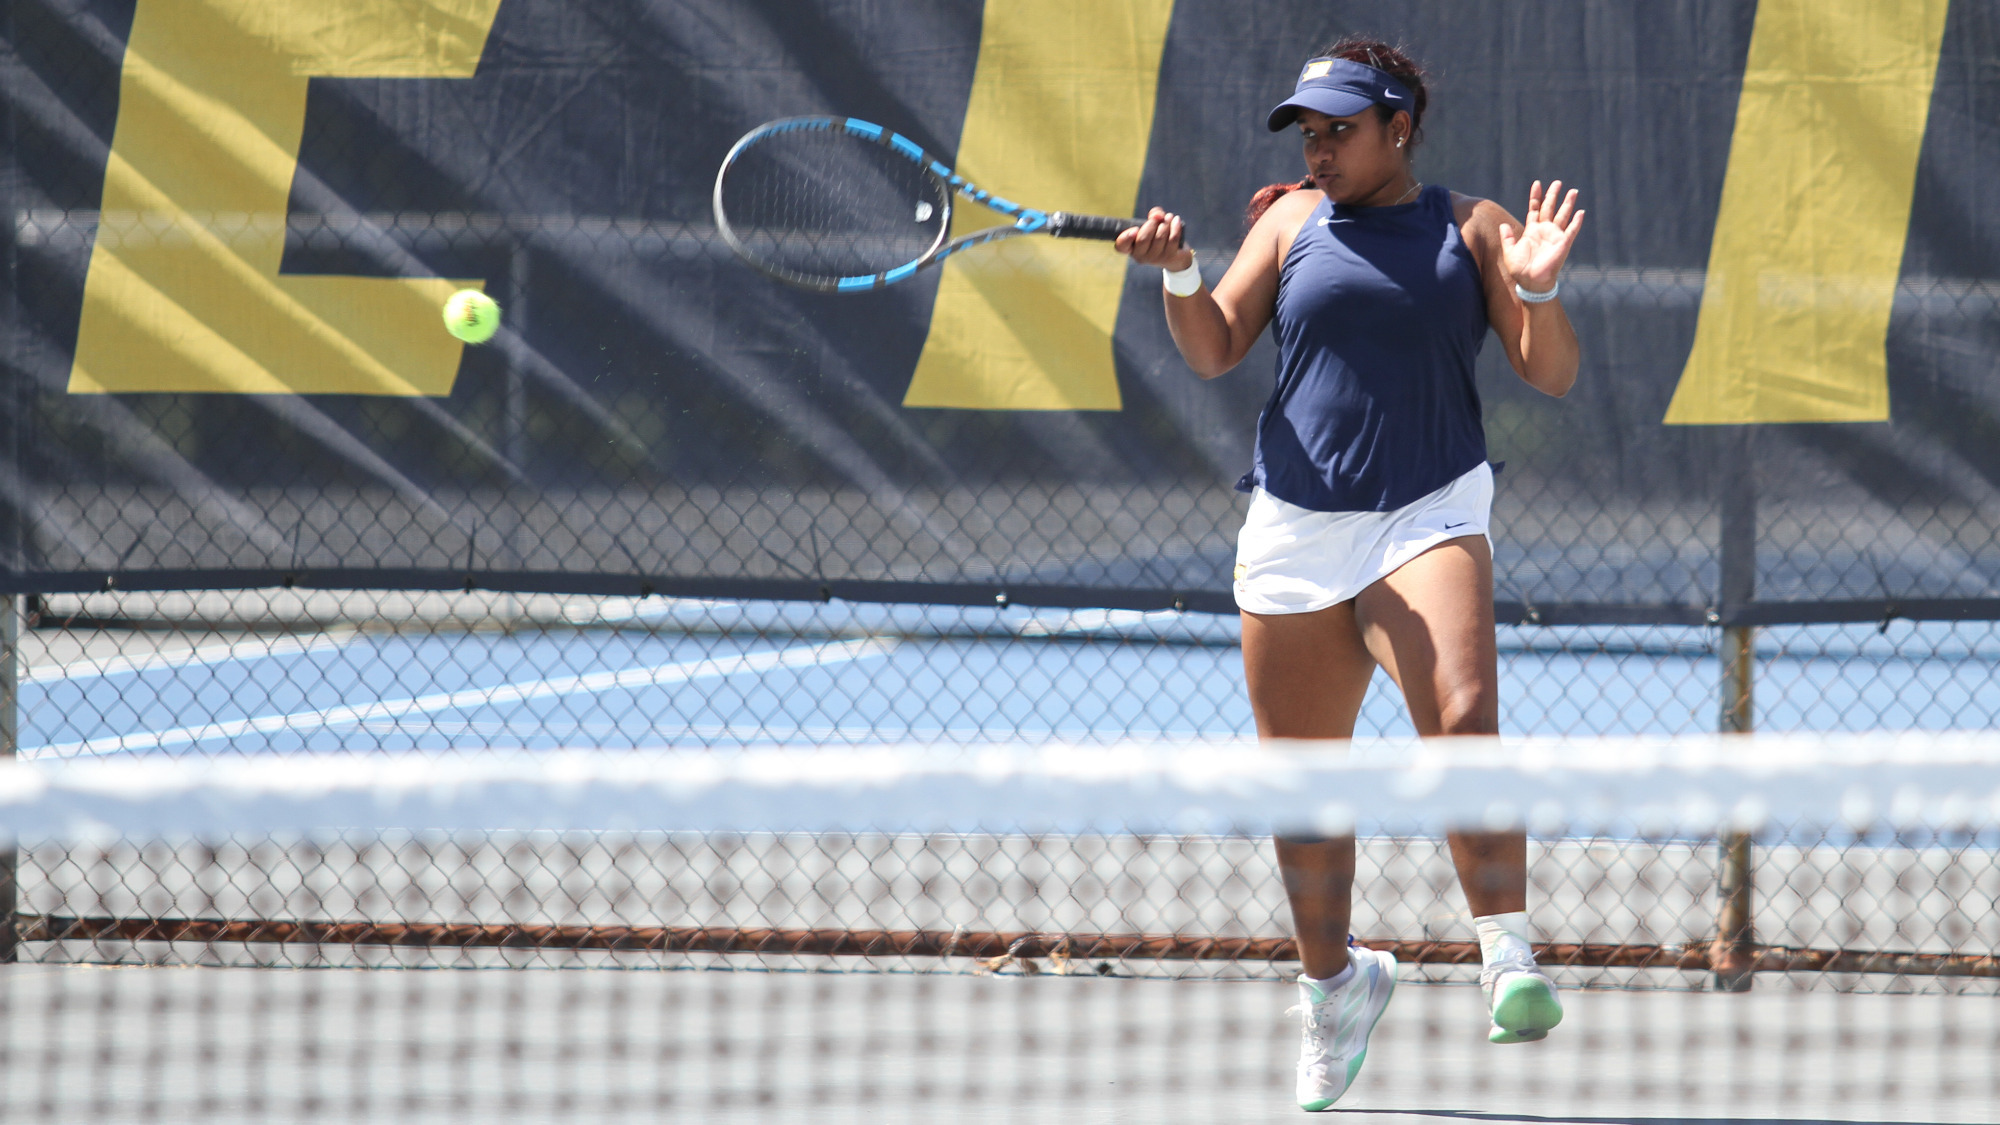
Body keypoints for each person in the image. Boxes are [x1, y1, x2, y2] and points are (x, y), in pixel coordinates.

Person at [1115, 37, 1585, 1111]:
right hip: (1292, 528)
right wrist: (1179, 273)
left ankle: (1504, 951)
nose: (1319, 150)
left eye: (1339, 130)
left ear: (1398, 128)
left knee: (1462, 717)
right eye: (1309, 134)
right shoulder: (1287, 221)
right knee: (1306, 789)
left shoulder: (1471, 228)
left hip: (1426, 511)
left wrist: (1539, 291)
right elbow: (1212, 347)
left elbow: (1545, 372)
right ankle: (1333, 987)